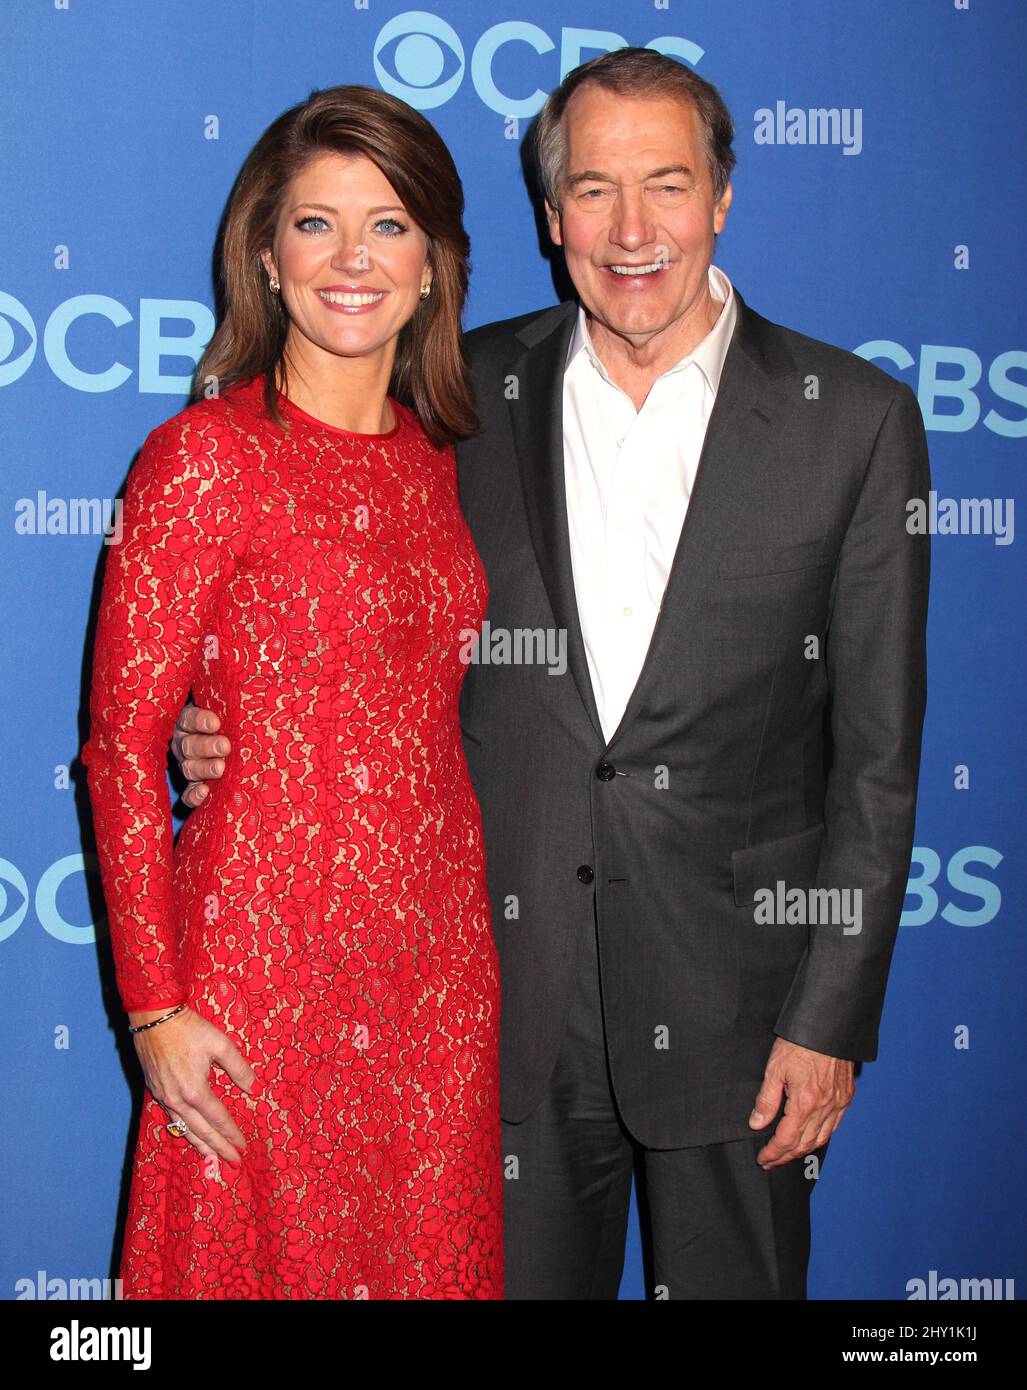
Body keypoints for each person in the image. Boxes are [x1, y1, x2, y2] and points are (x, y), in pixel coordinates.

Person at [172, 49, 931, 1300]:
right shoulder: (453, 395)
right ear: (547, 214)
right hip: (492, 1008)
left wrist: (829, 1016)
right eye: (592, 190)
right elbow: (345, 610)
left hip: (744, 1015)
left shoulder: (849, 419)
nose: (630, 231)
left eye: (666, 186)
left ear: (723, 198)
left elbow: (879, 758)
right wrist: (229, 723)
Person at [81, 85, 502, 1300]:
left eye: (389, 225)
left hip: (436, 981)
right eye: (316, 225)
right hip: (257, 971)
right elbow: (121, 748)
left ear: (433, 265)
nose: (352, 259)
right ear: (267, 258)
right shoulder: (204, 458)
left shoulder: (436, 464)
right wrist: (154, 1010)